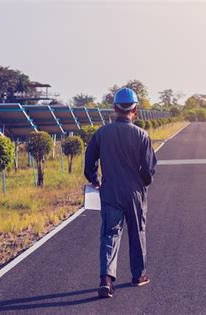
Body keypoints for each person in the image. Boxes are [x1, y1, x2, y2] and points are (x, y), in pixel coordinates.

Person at [84, 87, 157, 298]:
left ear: (115, 108)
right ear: (135, 109)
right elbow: (149, 168)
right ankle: (138, 275)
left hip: (110, 192)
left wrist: (94, 179)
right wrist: (142, 182)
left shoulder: (101, 133)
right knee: (137, 233)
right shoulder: (142, 135)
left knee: (109, 234)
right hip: (134, 192)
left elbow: (90, 162)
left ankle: (106, 280)